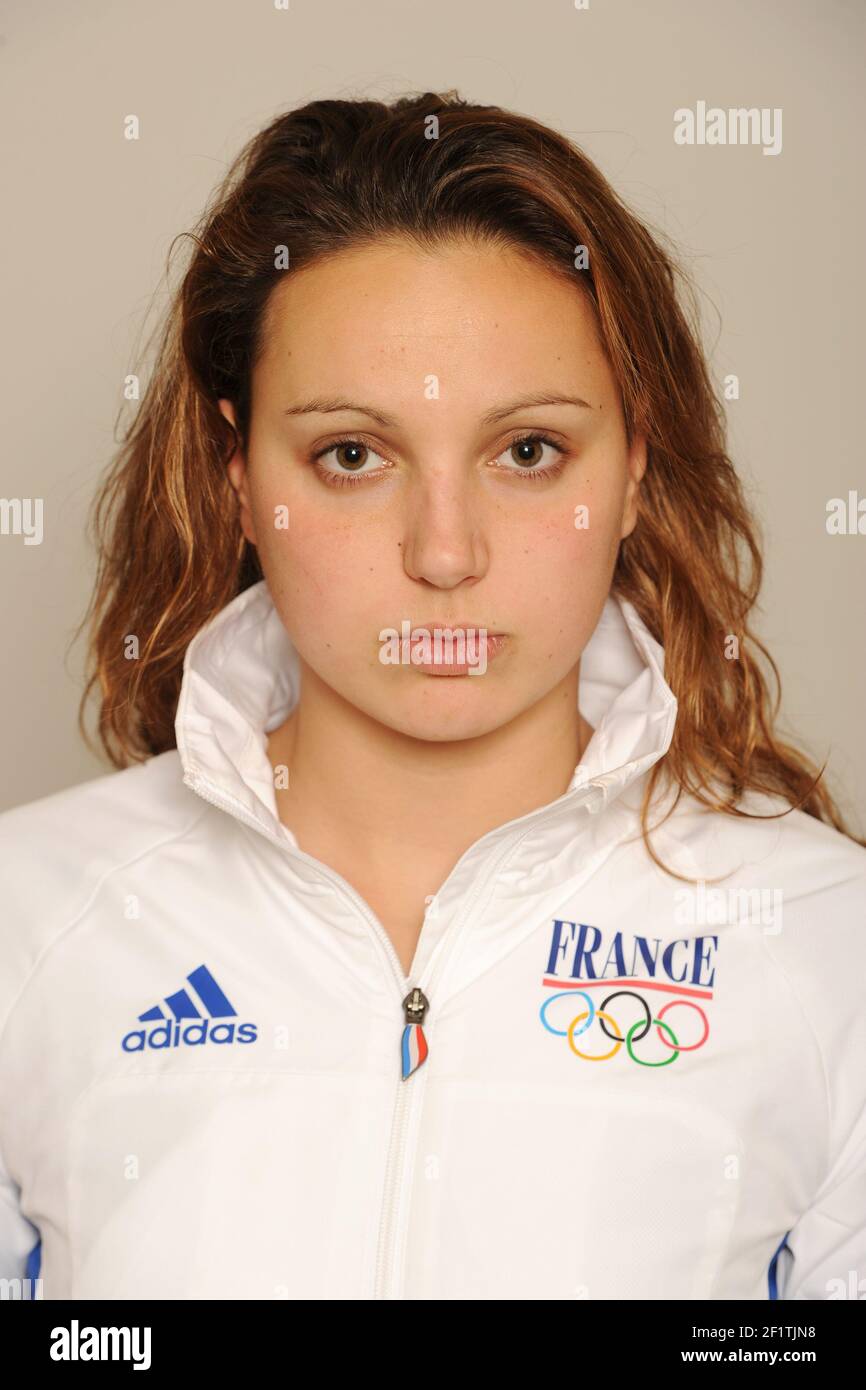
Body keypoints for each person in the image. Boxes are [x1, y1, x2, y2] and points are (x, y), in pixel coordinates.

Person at [1, 90, 864, 1302]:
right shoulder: (26, 923)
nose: (444, 553)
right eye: (352, 454)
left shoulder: (830, 943)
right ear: (237, 475)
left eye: (527, 452)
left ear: (633, 474)